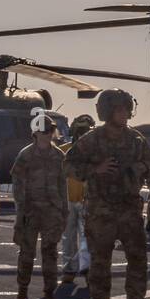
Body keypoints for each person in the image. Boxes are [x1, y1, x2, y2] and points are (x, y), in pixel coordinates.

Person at [67, 89, 150, 299]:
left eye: (127, 109)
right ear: (108, 112)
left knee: (138, 262)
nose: (125, 114)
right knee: (100, 264)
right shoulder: (91, 139)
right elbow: (69, 165)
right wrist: (95, 168)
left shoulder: (136, 140)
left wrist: (138, 168)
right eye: (120, 109)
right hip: (101, 211)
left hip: (129, 209)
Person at [11, 113, 68, 299]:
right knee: (26, 251)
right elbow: (17, 184)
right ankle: (22, 289)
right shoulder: (25, 155)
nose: (47, 134)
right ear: (35, 133)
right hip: (30, 210)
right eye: (44, 131)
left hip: (52, 211)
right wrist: (21, 209)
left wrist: (64, 212)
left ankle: (49, 293)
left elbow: (63, 186)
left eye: (50, 130)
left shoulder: (59, 156)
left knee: (50, 252)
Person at [59, 114, 94, 287]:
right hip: (68, 200)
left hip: (88, 201)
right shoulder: (64, 150)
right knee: (68, 237)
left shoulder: (95, 152)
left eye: (86, 131)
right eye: (80, 131)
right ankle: (69, 270)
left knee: (87, 238)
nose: (83, 134)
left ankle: (87, 270)